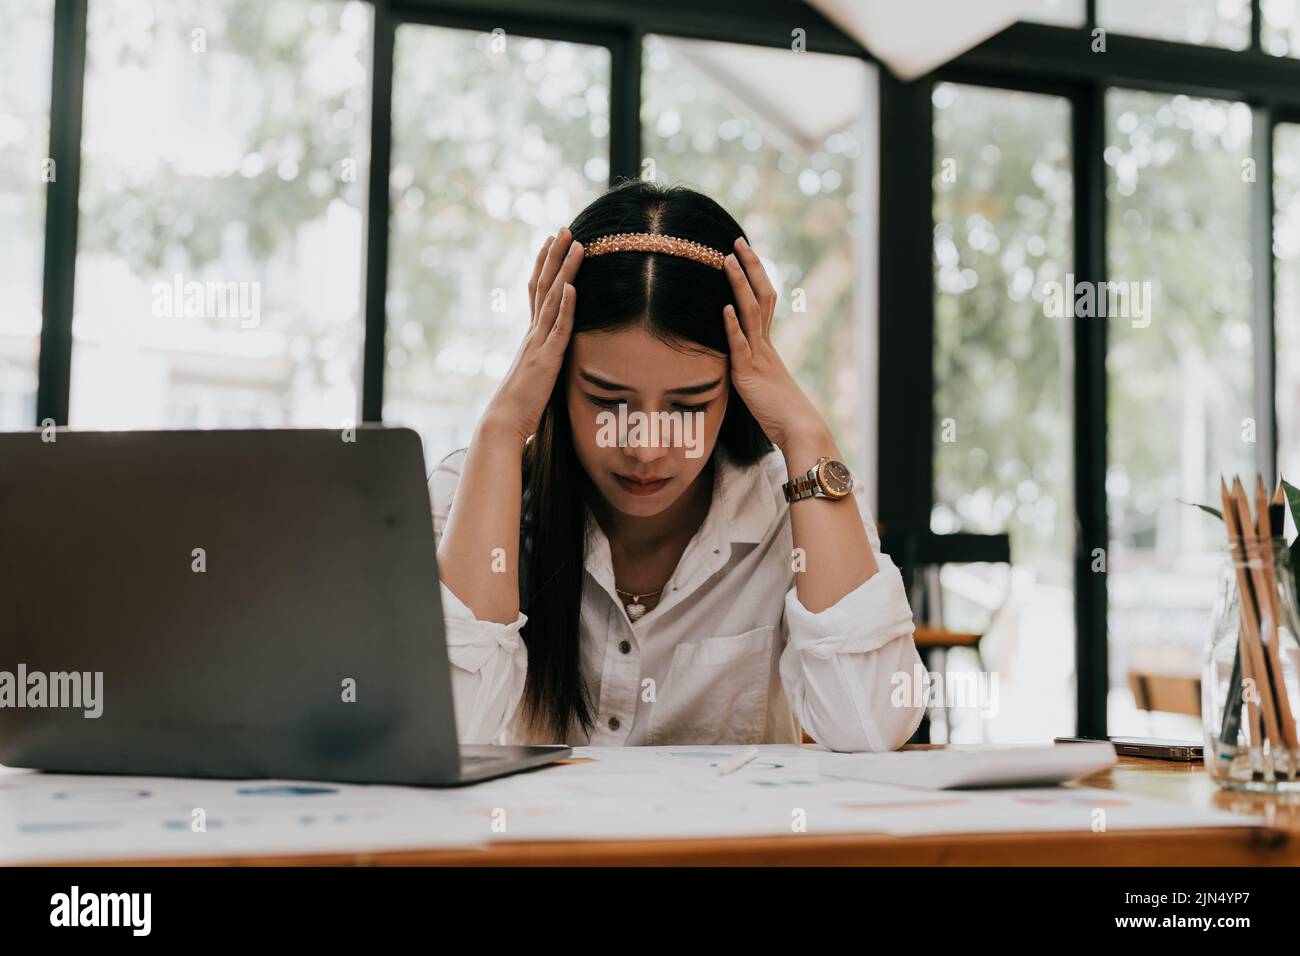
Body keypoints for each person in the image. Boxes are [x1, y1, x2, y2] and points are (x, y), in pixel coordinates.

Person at [431, 178, 925, 751]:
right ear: (556, 378)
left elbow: (870, 726)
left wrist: (803, 430)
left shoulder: (795, 505)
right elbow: (448, 731)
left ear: (736, 388)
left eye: (688, 405)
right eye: (606, 400)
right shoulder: (468, 496)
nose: (644, 446)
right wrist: (501, 429)